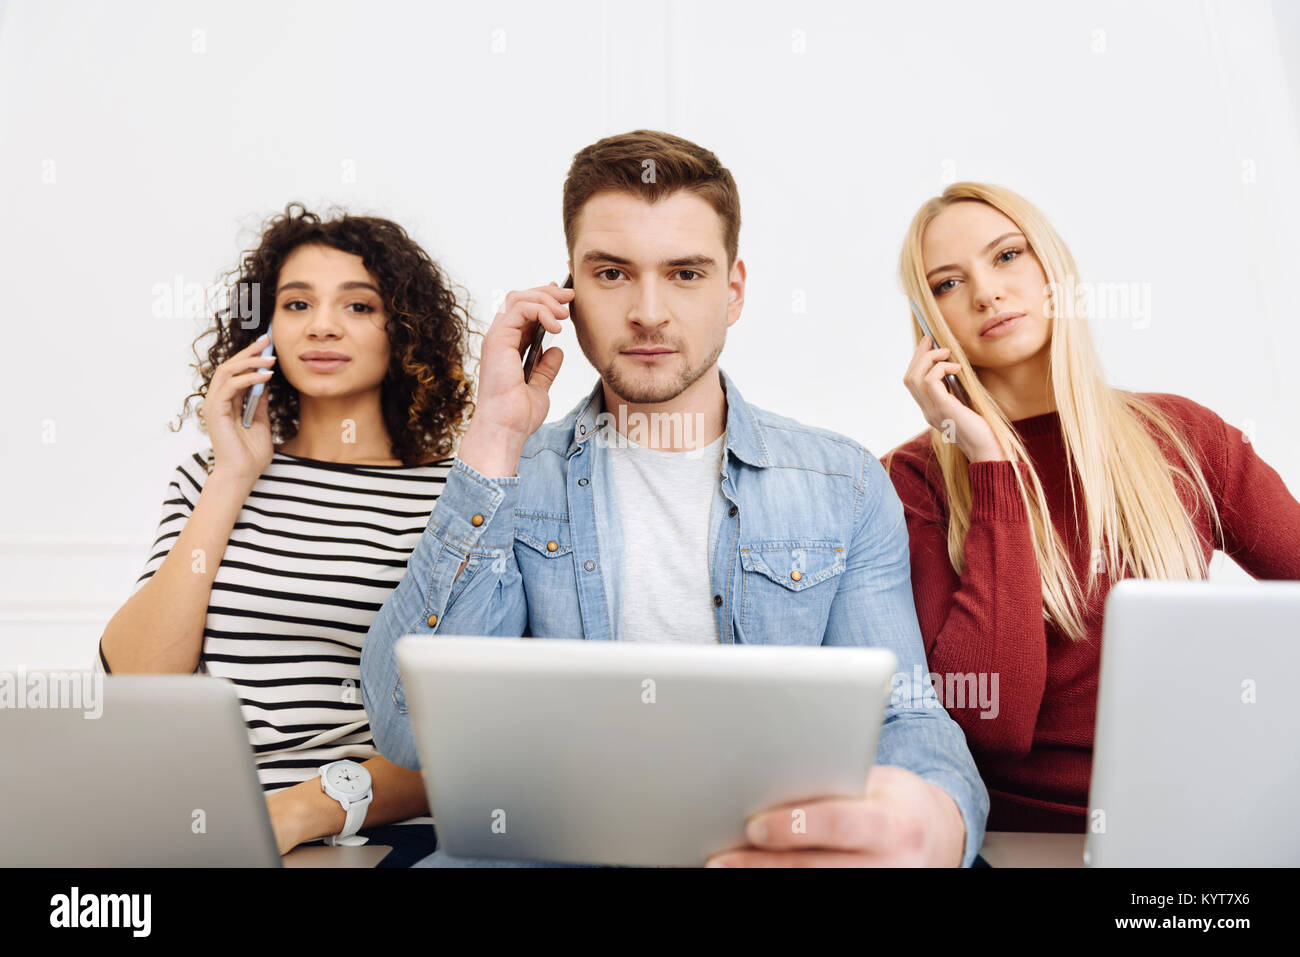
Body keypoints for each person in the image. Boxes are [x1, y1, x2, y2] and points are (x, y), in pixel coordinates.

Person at [361, 130, 988, 867]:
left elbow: (904, 711)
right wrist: (494, 439)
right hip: (549, 851)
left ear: (735, 290)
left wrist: (936, 822)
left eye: (686, 273)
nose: (648, 312)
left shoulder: (843, 484)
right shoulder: (507, 477)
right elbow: (403, 726)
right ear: (566, 292)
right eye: (612, 273)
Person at [884, 181, 1300, 832]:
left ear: (1052, 265)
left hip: (1190, 825)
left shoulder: (1185, 436)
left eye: (1007, 256)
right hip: (1019, 837)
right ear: (928, 322)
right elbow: (991, 719)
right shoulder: (911, 480)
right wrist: (991, 464)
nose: (988, 292)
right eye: (946, 283)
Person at [98, 203, 477, 864]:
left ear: (404, 331)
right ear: (264, 330)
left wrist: (295, 813)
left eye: (358, 306)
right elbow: (137, 677)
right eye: (297, 305)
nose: (323, 325)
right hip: (204, 828)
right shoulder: (208, 479)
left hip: (366, 831)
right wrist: (232, 477)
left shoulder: (454, 498)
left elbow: (471, 737)